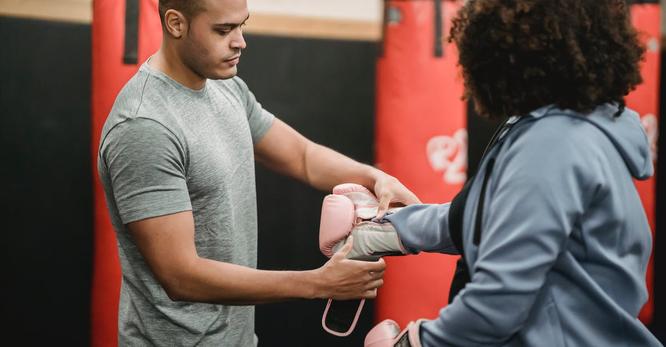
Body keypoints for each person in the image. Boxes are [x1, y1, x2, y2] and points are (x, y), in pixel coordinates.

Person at [96, 0, 420, 345]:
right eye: (224, 30)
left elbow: (302, 156)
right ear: (176, 24)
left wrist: (376, 178)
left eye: (241, 26)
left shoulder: (225, 87)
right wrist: (318, 283)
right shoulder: (145, 127)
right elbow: (181, 276)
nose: (240, 42)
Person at [352, 0, 663, 346]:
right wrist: (395, 229)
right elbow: (487, 220)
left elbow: (499, 299)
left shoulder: (555, 144)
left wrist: (421, 341)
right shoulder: (554, 126)